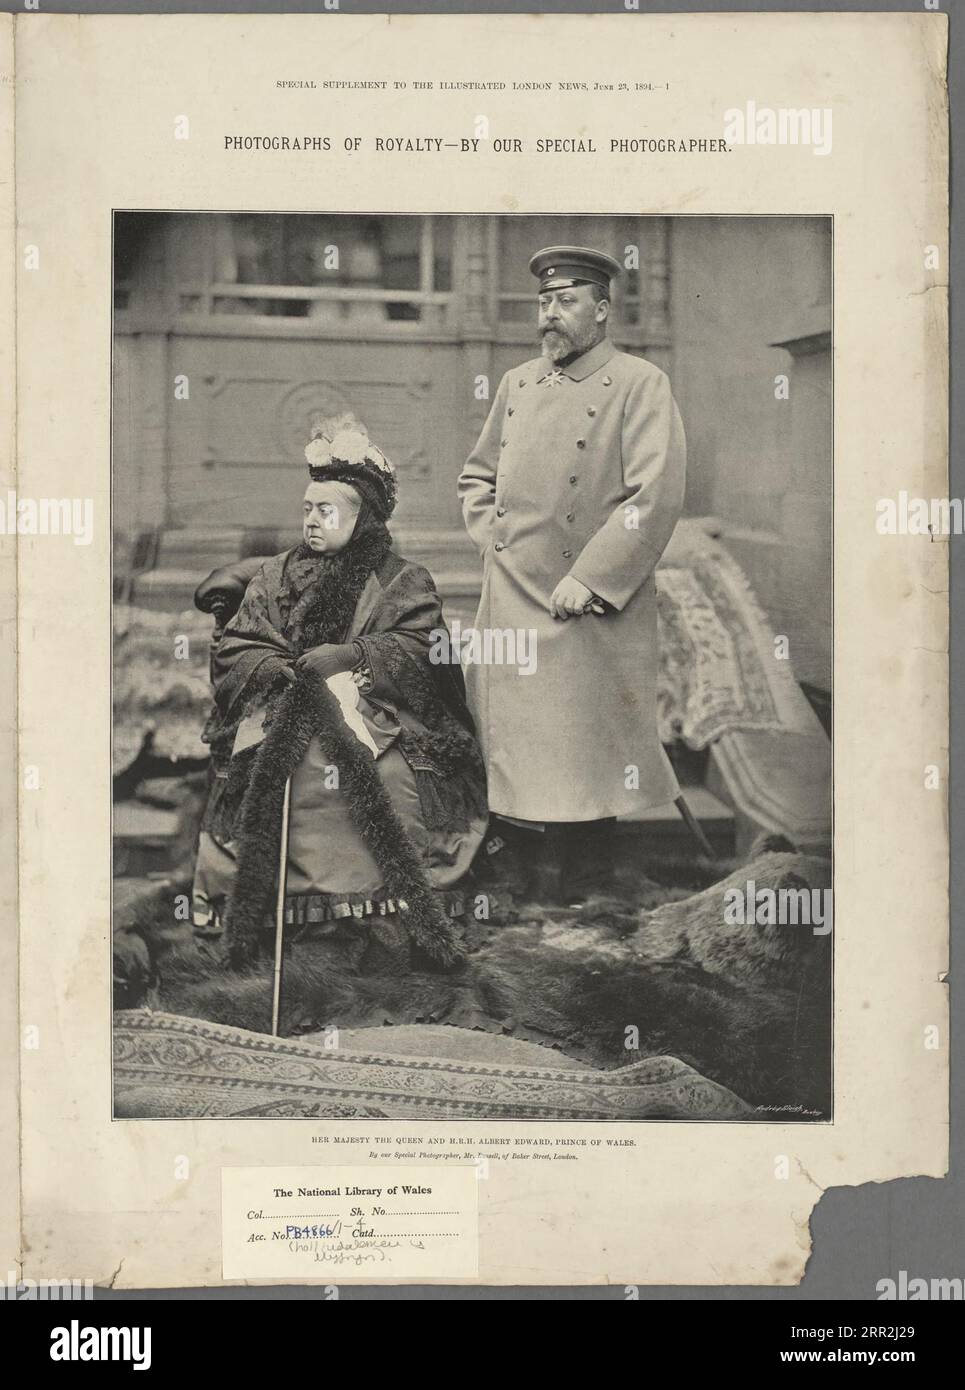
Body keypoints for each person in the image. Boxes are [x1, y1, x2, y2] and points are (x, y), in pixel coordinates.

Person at [192, 413, 487, 969]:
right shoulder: (274, 576)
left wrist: (352, 656)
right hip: (283, 703)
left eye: (325, 511)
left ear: (363, 518)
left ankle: (381, 920)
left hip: (377, 709)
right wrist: (274, 669)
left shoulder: (403, 580)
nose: (310, 521)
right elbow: (238, 645)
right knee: (271, 769)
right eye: (306, 509)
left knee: (388, 775)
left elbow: (426, 649)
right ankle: (273, 917)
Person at [457, 245, 686, 904]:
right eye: (544, 303)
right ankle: (513, 888)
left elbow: (655, 495)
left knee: (587, 749)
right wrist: (492, 540)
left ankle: (589, 898)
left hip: (582, 601)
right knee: (515, 744)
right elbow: (476, 474)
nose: (549, 316)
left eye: (565, 301)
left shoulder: (640, 383)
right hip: (513, 596)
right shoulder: (518, 383)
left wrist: (589, 577)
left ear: (603, 308)